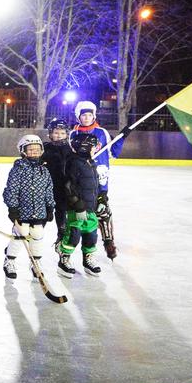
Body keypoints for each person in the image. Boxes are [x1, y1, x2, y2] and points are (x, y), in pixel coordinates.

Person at [69, 101, 130, 260]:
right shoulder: (73, 134)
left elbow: (112, 152)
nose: (87, 118)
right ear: (78, 116)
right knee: (83, 214)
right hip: (81, 179)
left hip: (99, 179)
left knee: (103, 212)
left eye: (90, 115)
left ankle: (108, 242)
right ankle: (75, 246)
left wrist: (121, 138)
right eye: (84, 115)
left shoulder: (102, 132)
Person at [1, 135, 55, 279]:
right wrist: (13, 209)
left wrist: (50, 207)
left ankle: (35, 262)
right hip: (22, 211)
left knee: (37, 234)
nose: (34, 152)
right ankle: (9, 260)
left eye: (37, 150)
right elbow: (11, 189)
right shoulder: (18, 169)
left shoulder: (44, 170)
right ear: (23, 151)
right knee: (21, 233)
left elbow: (48, 190)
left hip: (39, 210)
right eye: (30, 150)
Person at [58, 132, 103, 278]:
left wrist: (102, 199)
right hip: (76, 209)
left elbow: (95, 185)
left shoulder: (90, 162)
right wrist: (78, 205)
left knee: (91, 234)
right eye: (93, 146)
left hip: (90, 208)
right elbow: (68, 186)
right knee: (73, 235)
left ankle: (88, 259)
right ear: (85, 147)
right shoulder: (74, 162)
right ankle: (64, 259)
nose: (95, 149)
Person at [42, 118, 73, 249]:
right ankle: (35, 238)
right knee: (42, 216)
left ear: (67, 134)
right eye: (56, 133)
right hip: (46, 189)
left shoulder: (70, 149)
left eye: (62, 133)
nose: (59, 136)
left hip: (63, 189)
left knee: (62, 216)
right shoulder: (44, 148)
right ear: (50, 133)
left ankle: (61, 237)